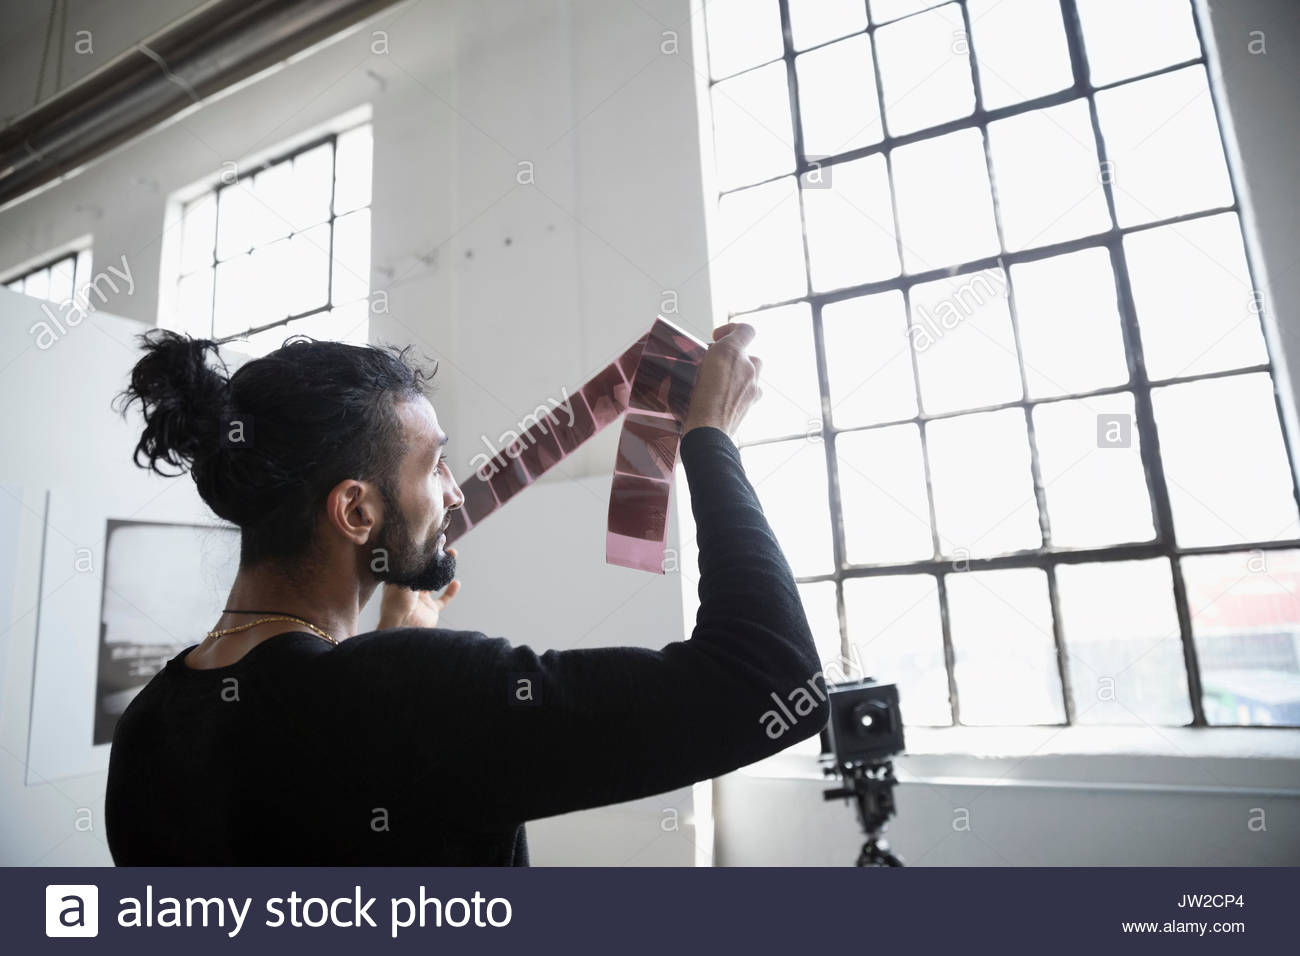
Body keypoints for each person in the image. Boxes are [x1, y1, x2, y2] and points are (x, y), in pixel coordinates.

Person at [104, 323, 829, 865]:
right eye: (436, 463)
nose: (453, 492)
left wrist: (382, 651)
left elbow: (312, 768)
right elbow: (769, 681)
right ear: (356, 512)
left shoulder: (148, 727)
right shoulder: (415, 693)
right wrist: (710, 438)